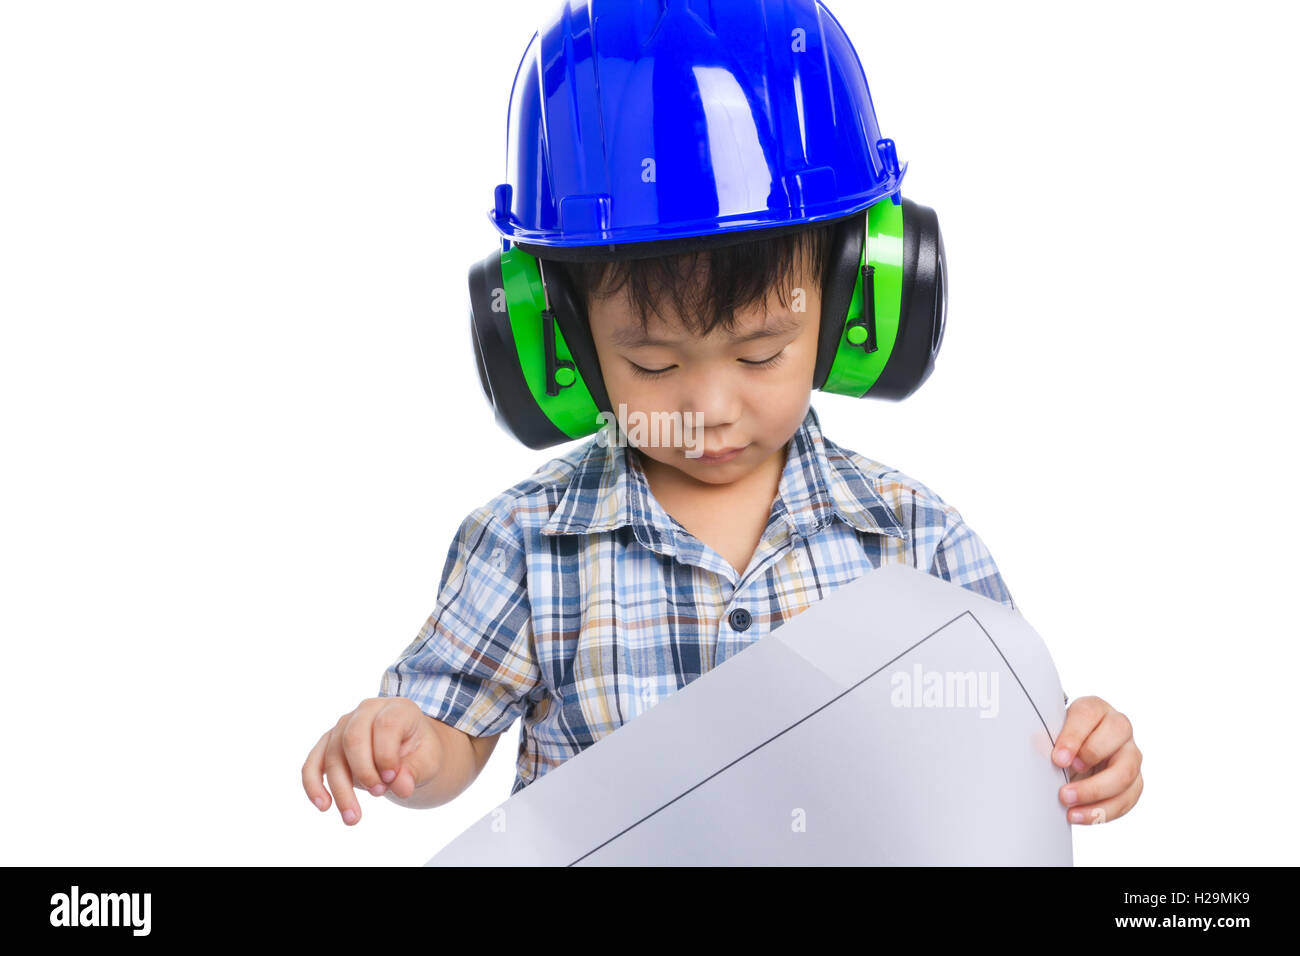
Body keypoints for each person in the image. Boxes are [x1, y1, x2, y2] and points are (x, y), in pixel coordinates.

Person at [302, 0, 1142, 833]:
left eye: (760, 355)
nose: (707, 407)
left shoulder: (911, 535)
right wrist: (403, 747)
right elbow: (451, 733)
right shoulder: (527, 541)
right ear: (557, 334)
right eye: (654, 364)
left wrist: (1086, 744)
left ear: (856, 306)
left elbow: (1012, 729)